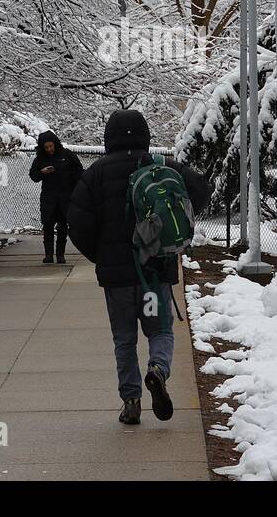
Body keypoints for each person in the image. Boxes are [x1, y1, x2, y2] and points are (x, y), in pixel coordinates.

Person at [66, 109, 208, 426]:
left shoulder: (96, 174)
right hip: (155, 273)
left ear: (108, 137)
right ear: (145, 135)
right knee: (159, 330)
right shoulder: (163, 167)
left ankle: (131, 402)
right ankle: (158, 369)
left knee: (124, 339)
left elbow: (76, 222)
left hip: (118, 279)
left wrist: (101, 255)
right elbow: (201, 190)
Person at [28, 130, 81, 264]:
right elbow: (33, 176)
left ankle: (60, 255)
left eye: (51, 146)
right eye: (46, 148)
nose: (49, 149)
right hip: (48, 198)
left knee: (63, 226)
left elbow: (79, 171)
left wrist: (73, 184)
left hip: (65, 197)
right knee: (48, 226)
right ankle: (49, 255)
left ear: (55, 144)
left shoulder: (67, 155)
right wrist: (42, 172)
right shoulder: (40, 159)